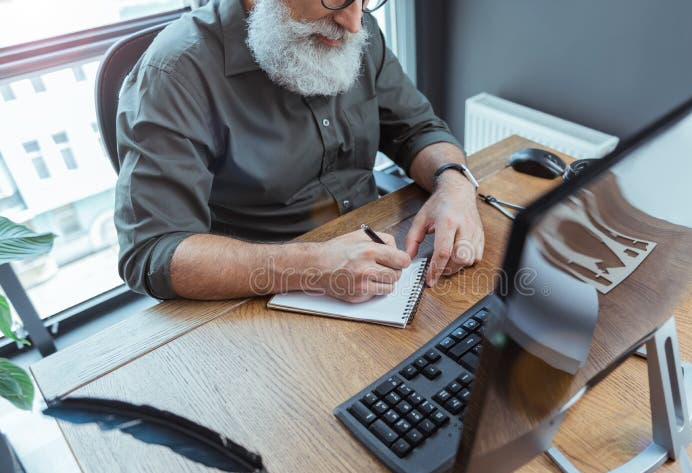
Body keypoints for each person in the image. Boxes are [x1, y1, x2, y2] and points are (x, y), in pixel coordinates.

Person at [115, 0, 484, 303]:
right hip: (259, 300)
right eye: (334, 0)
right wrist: (314, 266)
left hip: (385, 268)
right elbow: (152, 252)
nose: (356, 23)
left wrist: (454, 184)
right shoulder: (174, 72)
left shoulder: (353, 25)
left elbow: (418, 129)